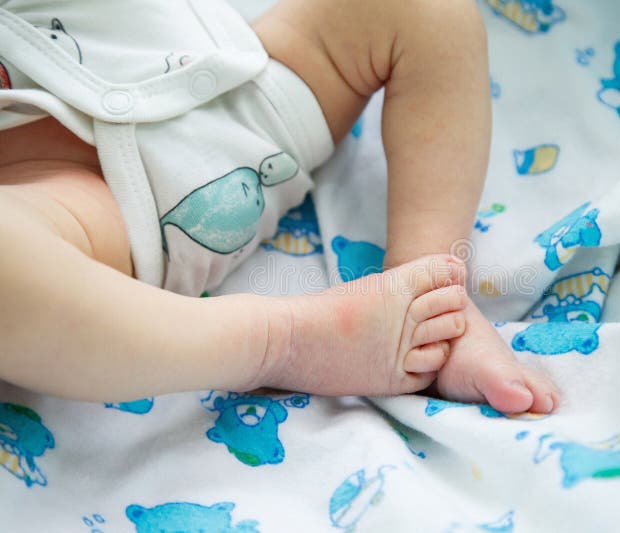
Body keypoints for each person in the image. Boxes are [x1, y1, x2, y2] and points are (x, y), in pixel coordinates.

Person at [0, 0, 558, 414]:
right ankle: (281, 341)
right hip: (77, 201)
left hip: (240, 77)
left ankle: (433, 294)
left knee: (426, 10)